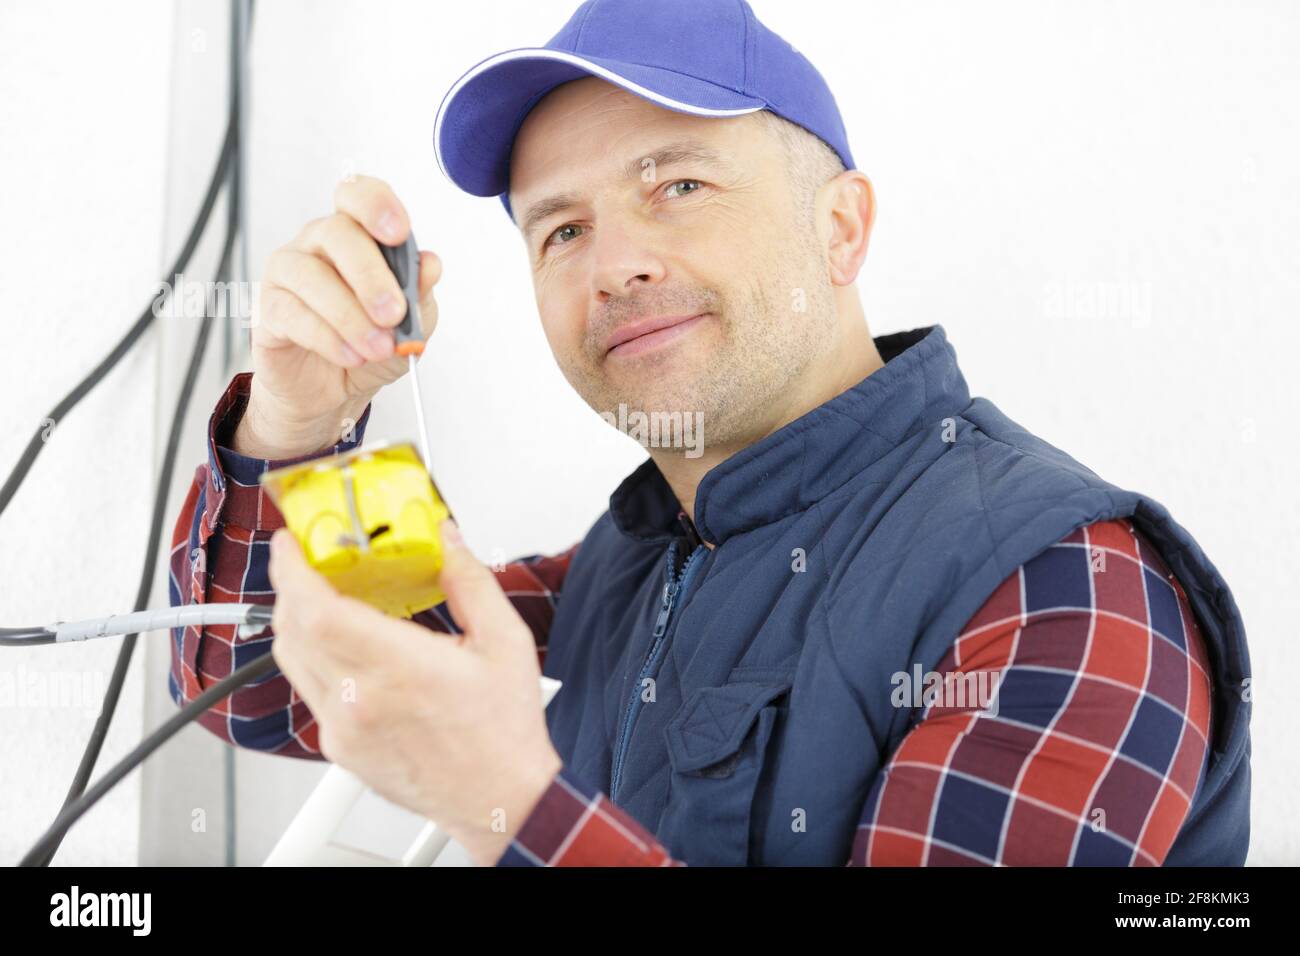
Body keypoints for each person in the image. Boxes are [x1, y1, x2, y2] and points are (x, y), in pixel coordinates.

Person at [168, 0, 1251, 866]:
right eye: (563, 228)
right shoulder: (626, 564)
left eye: (678, 184)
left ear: (841, 226)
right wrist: (308, 421)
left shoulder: (1064, 588)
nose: (613, 265)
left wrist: (511, 803)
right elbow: (269, 685)